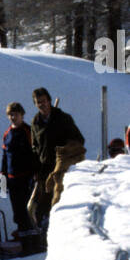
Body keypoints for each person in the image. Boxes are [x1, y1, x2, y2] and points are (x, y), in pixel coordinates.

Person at [29, 89, 85, 222]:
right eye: (38, 102)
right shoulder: (35, 122)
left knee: (59, 203)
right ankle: (43, 237)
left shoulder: (63, 119)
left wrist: (66, 152)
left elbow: (79, 140)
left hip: (61, 169)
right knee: (42, 207)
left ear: (49, 101)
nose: (42, 104)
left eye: (44, 101)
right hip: (44, 170)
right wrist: (36, 168)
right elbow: (35, 147)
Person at [0, 103, 37, 234]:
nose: (13, 117)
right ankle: (21, 232)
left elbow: (35, 154)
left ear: (22, 115)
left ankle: (32, 234)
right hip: (12, 179)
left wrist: (34, 175)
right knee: (17, 209)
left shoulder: (28, 131)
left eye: (15, 114)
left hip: (26, 177)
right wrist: (2, 177)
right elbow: (5, 156)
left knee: (29, 208)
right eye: (10, 114)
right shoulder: (7, 134)